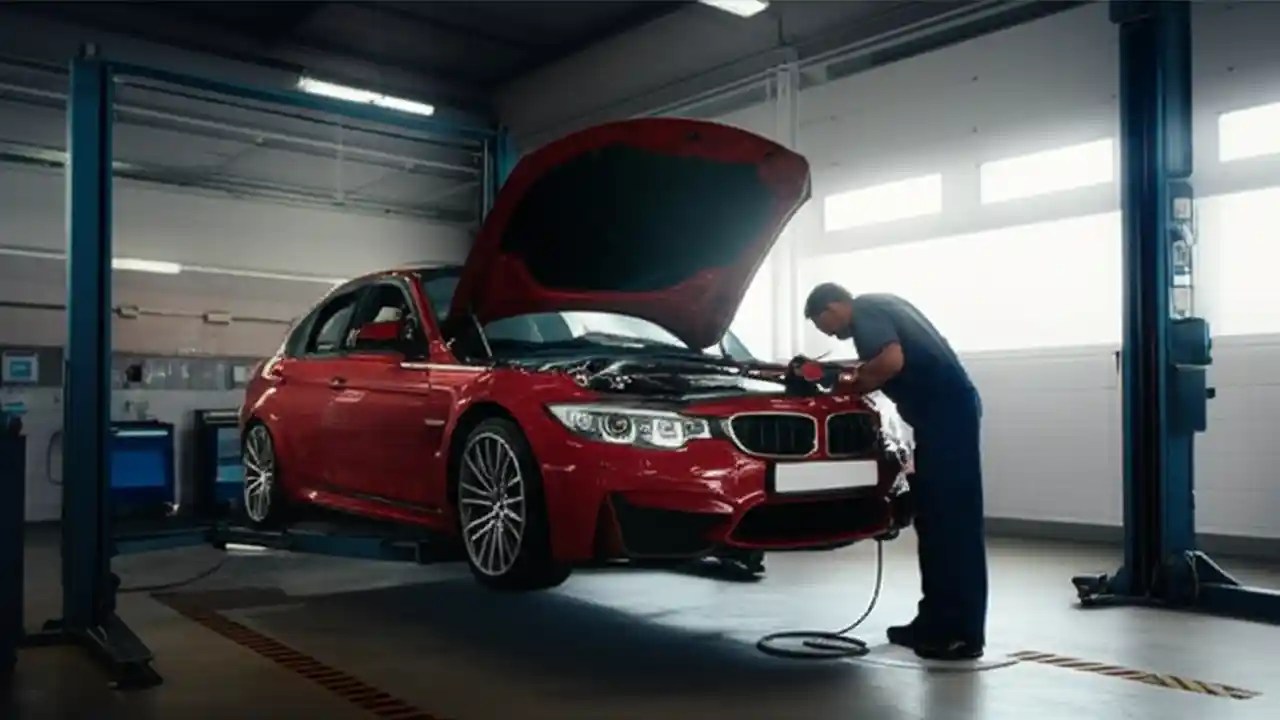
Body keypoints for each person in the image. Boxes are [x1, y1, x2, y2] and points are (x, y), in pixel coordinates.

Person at [803, 282, 987, 660]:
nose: (831, 334)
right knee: (934, 520)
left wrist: (850, 388)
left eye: (826, 324)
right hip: (943, 417)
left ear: (835, 304)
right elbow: (879, 361)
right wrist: (838, 373)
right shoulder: (885, 305)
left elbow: (889, 363)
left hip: (946, 418)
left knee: (952, 524)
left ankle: (962, 634)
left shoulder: (866, 310)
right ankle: (933, 623)